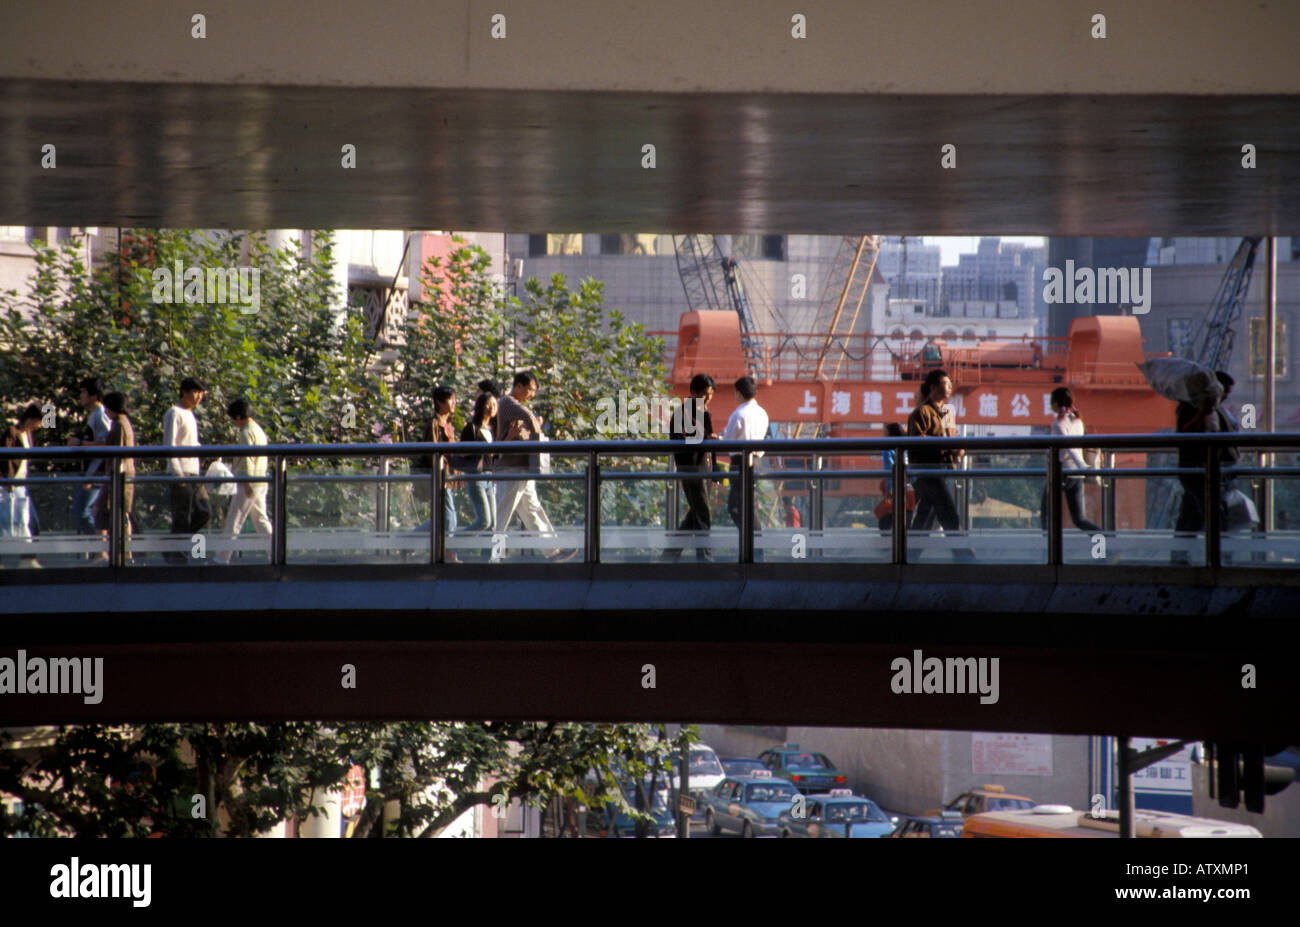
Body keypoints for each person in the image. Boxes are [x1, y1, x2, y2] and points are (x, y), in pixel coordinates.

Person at [494, 371, 572, 561]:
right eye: (530, 389)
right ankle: (495, 554)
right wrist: (537, 429)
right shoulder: (508, 403)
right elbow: (529, 417)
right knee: (503, 512)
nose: (532, 394)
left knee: (532, 511)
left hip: (520, 469)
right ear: (518, 386)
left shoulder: (514, 405)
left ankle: (552, 551)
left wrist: (534, 426)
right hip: (512, 469)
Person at [1173, 373, 1240, 562]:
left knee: (1191, 514)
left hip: (1208, 468)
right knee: (1213, 513)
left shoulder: (1217, 410)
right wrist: (1202, 413)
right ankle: (1219, 557)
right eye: (1224, 391)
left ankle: (1180, 555)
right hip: (1196, 467)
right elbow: (1183, 434)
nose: (1225, 396)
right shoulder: (1191, 406)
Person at [907, 369, 972, 560]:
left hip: (942, 472)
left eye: (951, 384)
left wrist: (958, 449)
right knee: (949, 515)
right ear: (933, 387)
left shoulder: (947, 412)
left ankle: (909, 555)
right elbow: (917, 443)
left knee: (925, 519)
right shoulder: (921, 413)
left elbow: (953, 437)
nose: (950, 387)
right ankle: (964, 556)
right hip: (929, 473)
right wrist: (946, 447)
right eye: (946, 383)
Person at [665, 373, 717, 561]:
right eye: (704, 394)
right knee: (702, 514)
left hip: (703, 471)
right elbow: (682, 441)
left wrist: (715, 472)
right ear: (693, 392)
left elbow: (709, 443)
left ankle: (670, 556)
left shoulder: (703, 413)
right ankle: (705, 558)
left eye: (710, 394)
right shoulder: (683, 413)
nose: (708, 398)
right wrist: (705, 439)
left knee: (695, 515)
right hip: (691, 470)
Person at [216, 398, 272, 564]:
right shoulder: (258, 430)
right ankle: (275, 552)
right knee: (261, 520)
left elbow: (247, 459)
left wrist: (246, 482)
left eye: (234, 419)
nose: (234, 423)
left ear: (239, 417)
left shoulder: (246, 433)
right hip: (260, 480)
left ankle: (222, 558)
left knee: (235, 518)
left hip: (249, 482)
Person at [162, 376, 210, 564]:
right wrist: (176, 471)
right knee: (182, 516)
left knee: (203, 512)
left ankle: (171, 546)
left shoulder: (190, 414)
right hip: (182, 472)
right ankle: (178, 557)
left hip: (194, 472)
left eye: (201, 393)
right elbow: (170, 444)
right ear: (184, 392)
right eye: (196, 392)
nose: (199, 397)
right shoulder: (174, 413)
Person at [1039, 387, 1101, 534]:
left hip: (1061, 472)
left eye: (1051, 401)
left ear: (1056, 403)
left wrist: (1083, 466)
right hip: (1076, 475)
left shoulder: (1058, 425)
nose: (1050, 404)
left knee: (1046, 513)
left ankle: (1048, 550)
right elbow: (1075, 446)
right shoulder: (1078, 421)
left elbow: (1069, 448)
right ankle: (1105, 542)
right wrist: (1083, 468)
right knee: (1079, 519)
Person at [722, 376, 770, 544]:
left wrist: (721, 437)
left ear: (739, 393)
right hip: (756, 461)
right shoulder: (763, 413)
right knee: (748, 504)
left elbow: (728, 442)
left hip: (739, 462)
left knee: (736, 507)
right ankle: (753, 546)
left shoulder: (738, 414)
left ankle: (752, 544)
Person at [415, 385, 461, 561]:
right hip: (439, 477)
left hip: (447, 477)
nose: (454, 402)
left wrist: (456, 473)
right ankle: (447, 554)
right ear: (440, 403)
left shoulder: (448, 424)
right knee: (449, 519)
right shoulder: (434, 424)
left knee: (443, 518)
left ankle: (407, 542)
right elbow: (432, 452)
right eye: (450, 399)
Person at [93, 391, 136, 562]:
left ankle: (113, 553)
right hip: (122, 475)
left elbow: (117, 454)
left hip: (117, 476)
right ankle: (121, 553)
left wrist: (110, 482)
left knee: (106, 511)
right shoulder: (124, 423)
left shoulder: (118, 425)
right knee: (119, 513)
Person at [1, 404, 44, 567]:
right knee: (9, 522)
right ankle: (28, 558)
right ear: (31, 419)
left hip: (20, 485)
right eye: (39, 422)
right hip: (10, 485)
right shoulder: (13, 432)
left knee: (29, 523)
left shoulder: (28, 434)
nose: (39, 426)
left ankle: (28, 558)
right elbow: (5, 458)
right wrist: (8, 480)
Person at [68, 377, 110, 537]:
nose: (81, 395)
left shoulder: (100, 414)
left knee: (82, 511)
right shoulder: (94, 414)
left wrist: (79, 443)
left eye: (84, 392)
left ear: (94, 395)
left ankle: (100, 549)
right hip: (92, 473)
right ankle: (99, 551)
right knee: (83, 510)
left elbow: (108, 443)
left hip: (95, 473)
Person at [457, 390, 497, 537]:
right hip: (476, 477)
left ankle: (489, 560)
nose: (492, 407)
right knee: (484, 521)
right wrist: (479, 449)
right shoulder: (471, 428)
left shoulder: (491, 429)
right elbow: (461, 451)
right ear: (481, 406)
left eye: (494, 404)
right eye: (488, 404)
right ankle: (452, 544)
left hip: (489, 478)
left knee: (493, 525)